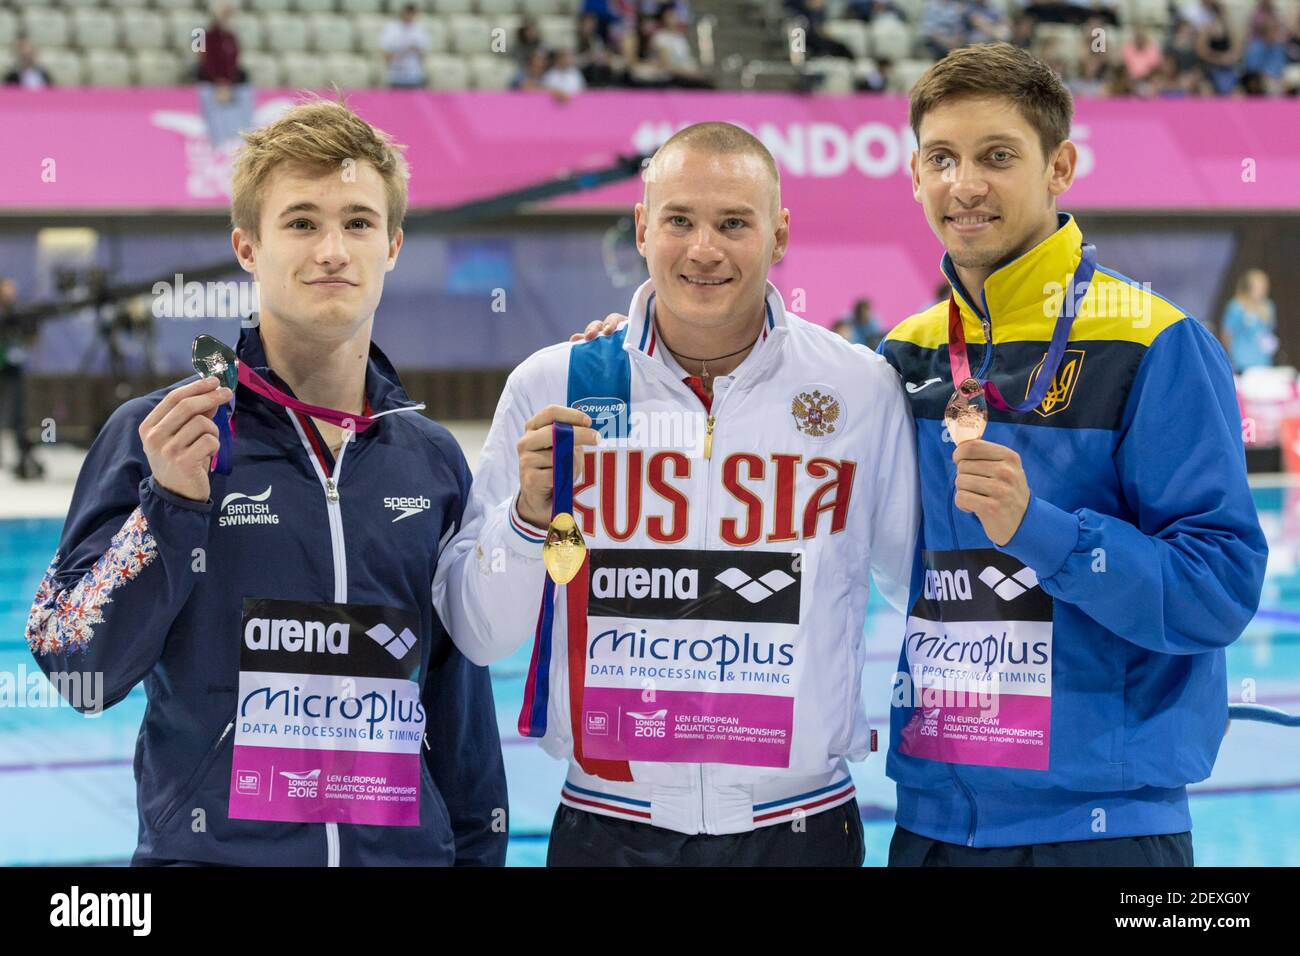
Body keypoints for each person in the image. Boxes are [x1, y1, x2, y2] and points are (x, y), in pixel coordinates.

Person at [26, 97, 507, 867]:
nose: (332, 251)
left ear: (392, 246)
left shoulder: (432, 460)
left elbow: (458, 710)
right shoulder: (162, 435)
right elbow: (74, 664)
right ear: (247, 246)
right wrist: (168, 511)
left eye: (357, 222)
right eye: (301, 222)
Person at [434, 122, 920, 866]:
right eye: (680, 220)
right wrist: (527, 522)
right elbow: (479, 635)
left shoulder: (858, 389)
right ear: (641, 227)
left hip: (803, 828)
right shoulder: (555, 385)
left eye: (734, 223)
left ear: (779, 233)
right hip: (606, 827)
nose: (703, 250)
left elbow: (914, 586)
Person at [878, 42, 1266, 866]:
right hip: (934, 822)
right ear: (914, 174)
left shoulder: (1154, 342)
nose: (965, 184)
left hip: (1105, 829)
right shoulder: (903, 356)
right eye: (941, 158)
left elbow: (1220, 592)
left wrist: (1044, 532)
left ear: (1060, 166)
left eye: (997, 157)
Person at [0, 277, 43, 479]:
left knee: (18, 415)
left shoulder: (18, 312)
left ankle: (24, 456)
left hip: (12, 369)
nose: (11, 292)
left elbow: (31, 339)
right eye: (7, 289)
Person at [1220, 269, 1278, 372]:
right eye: (1258, 286)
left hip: (1263, 362)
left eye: (1264, 286)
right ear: (1248, 287)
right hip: (1242, 363)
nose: (1261, 289)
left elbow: (1269, 332)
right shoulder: (1236, 307)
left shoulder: (1268, 307)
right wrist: (1230, 357)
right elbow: (1226, 334)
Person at [380, 4, 431, 89]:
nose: (409, 16)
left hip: (414, 74)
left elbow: (424, 53)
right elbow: (384, 52)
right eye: (407, 13)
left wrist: (415, 48)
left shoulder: (419, 30)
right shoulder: (391, 29)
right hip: (395, 74)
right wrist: (399, 52)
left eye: (411, 14)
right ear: (402, 13)